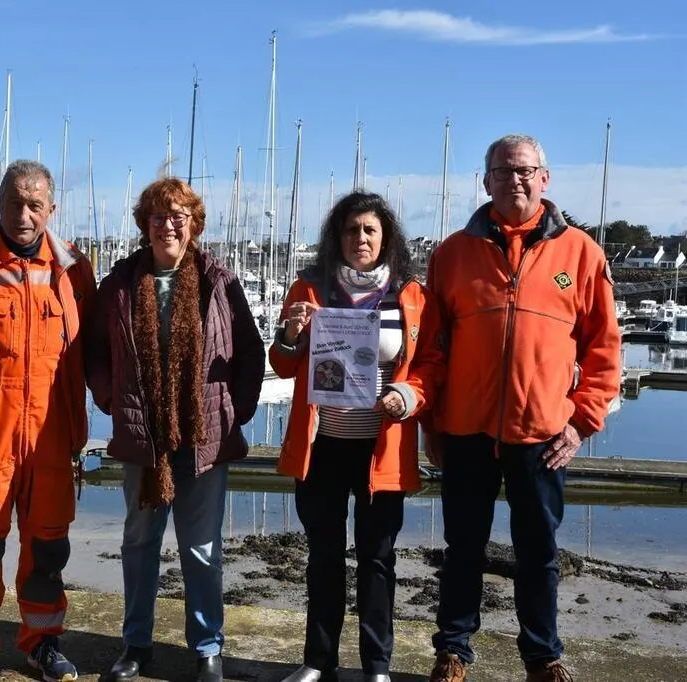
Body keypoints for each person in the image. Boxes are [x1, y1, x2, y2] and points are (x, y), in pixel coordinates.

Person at [416, 134, 622, 682]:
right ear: (486, 182)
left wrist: (581, 422)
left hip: (543, 432)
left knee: (538, 550)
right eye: (503, 171)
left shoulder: (581, 252)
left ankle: (542, 656)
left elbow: (604, 349)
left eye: (525, 170)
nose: (515, 180)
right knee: (462, 547)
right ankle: (453, 650)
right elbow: (433, 349)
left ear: (544, 178)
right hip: (466, 428)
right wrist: (431, 424)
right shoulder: (452, 254)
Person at [85, 177, 265, 682]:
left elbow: (251, 352)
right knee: (139, 543)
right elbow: (94, 351)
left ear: (194, 225)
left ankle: (207, 648)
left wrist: (235, 411)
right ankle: (135, 644)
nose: (168, 225)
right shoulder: (119, 285)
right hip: (144, 439)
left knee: (202, 549)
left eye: (178, 217)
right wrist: (110, 399)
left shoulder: (219, 282)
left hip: (203, 438)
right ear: (145, 224)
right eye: (158, 217)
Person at [0, 160, 96, 682]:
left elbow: (96, 350)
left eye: (35, 205)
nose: (23, 215)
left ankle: (43, 641)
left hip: (51, 434)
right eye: (14, 203)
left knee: (48, 546)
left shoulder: (75, 269)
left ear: (52, 209)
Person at [269, 191, 438, 682]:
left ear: (386, 238)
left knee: (377, 560)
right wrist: (291, 335)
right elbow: (283, 363)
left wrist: (408, 394)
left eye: (369, 230)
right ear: (336, 236)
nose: (360, 238)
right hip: (321, 447)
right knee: (323, 557)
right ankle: (317, 661)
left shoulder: (411, 295)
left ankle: (376, 666)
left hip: (381, 452)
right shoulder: (309, 288)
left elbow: (430, 365)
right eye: (350, 229)